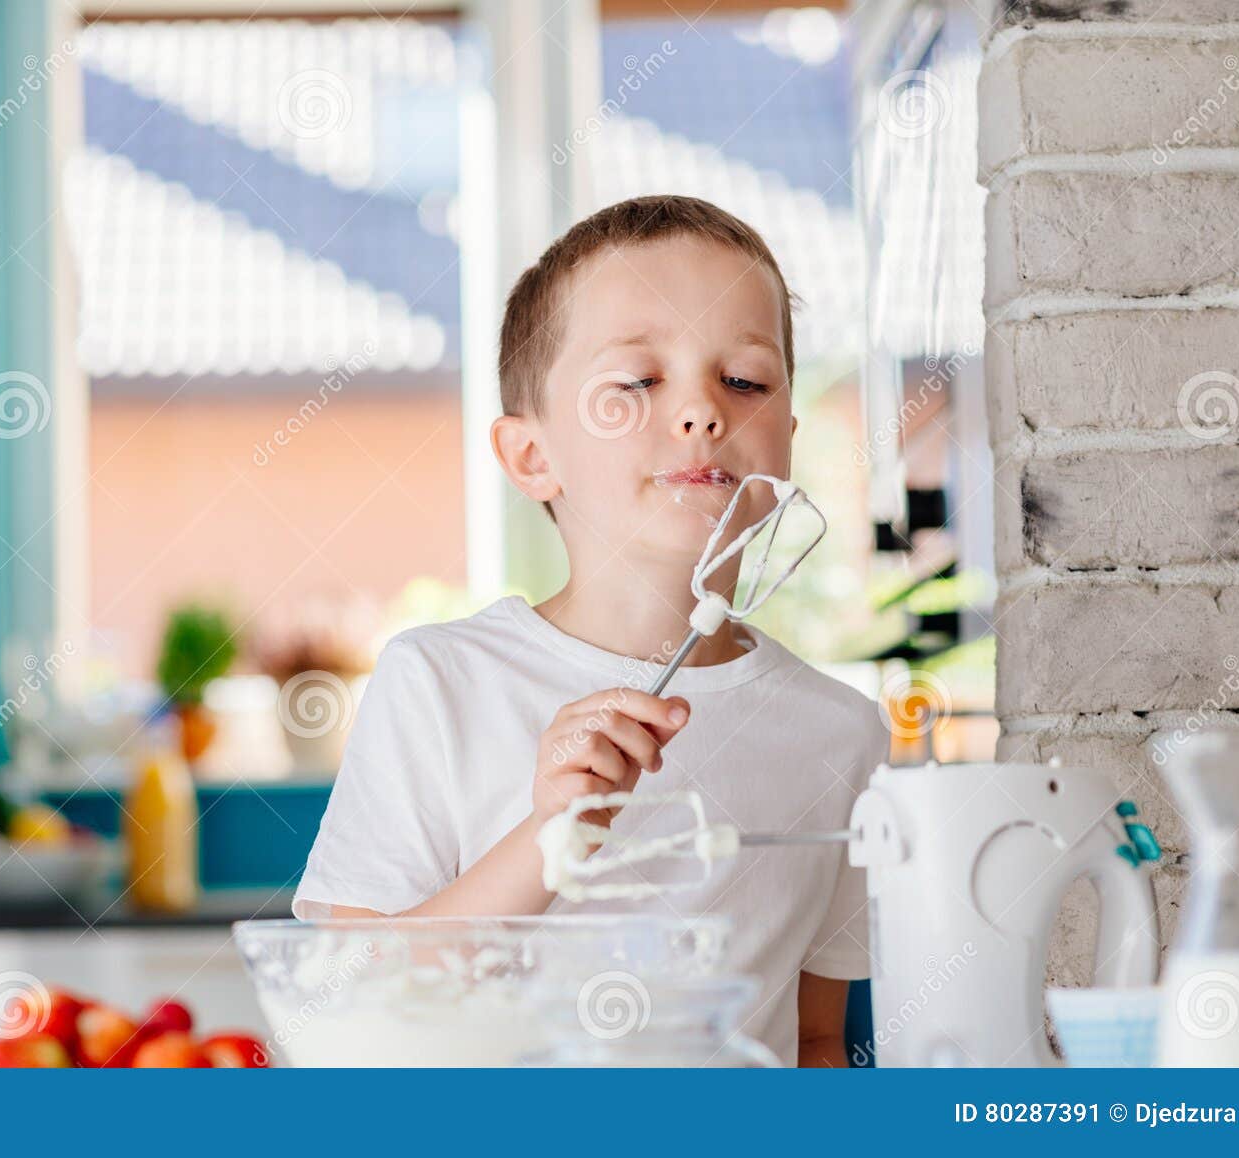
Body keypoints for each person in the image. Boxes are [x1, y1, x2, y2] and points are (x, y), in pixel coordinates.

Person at [293, 195, 889, 1067]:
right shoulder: (440, 683)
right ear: (532, 456)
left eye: (746, 380)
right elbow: (352, 1008)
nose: (701, 411)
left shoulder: (843, 735)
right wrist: (550, 833)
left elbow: (814, 1038)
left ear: (787, 437)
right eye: (638, 383)